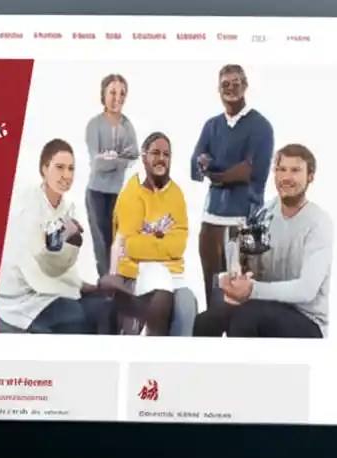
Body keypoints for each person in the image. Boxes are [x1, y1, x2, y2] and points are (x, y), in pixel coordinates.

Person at [193, 143, 330, 339]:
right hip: (264, 304)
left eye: (295, 170)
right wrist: (234, 275)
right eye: (281, 169)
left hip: (307, 320)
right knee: (206, 321)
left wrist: (252, 290)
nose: (286, 177)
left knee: (246, 317)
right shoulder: (267, 212)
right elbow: (240, 246)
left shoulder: (318, 223)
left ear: (310, 176)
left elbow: (306, 290)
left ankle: (242, 370)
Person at [0, 139, 112, 334]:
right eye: (59, 167)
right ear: (44, 169)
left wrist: (78, 283)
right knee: (75, 318)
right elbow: (36, 259)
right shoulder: (27, 203)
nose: (66, 175)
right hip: (20, 296)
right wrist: (70, 246)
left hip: (47, 288)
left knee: (106, 306)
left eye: (71, 169)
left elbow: (60, 261)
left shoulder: (68, 210)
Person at [190, 64, 274, 310]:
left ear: (245, 85)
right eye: (225, 84)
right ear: (218, 89)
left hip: (244, 219)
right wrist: (211, 167)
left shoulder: (260, 126)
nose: (230, 88)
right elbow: (196, 164)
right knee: (213, 293)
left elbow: (248, 172)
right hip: (211, 220)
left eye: (235, 83)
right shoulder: (211, 125)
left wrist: (214, 171)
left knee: (240, 294)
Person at [101, 132, 198, 336]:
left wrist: (149, 243)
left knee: (187, 304)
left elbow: (178, 245)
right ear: (144, 158)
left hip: (173, 274)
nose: (161, 158)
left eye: (166, 154)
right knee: (160, 296)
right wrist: (161, 241)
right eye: (155, 153)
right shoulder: (132, 194)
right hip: (135, 273)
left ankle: (176, 364)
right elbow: (131, 245)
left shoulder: (176, 195)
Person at [84, 73, 139, 279]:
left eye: (122, 93)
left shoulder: (127, 125)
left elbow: (134, 155)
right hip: (96, 193)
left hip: (117, 194)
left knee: (118, 244)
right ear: (103, 94)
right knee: (102, 246)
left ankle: (118, 289)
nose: (117, 97)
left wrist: (112, 157)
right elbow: (97, 162)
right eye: (113, 92)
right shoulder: (94, 125)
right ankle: (106, 289)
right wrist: (119, 158)